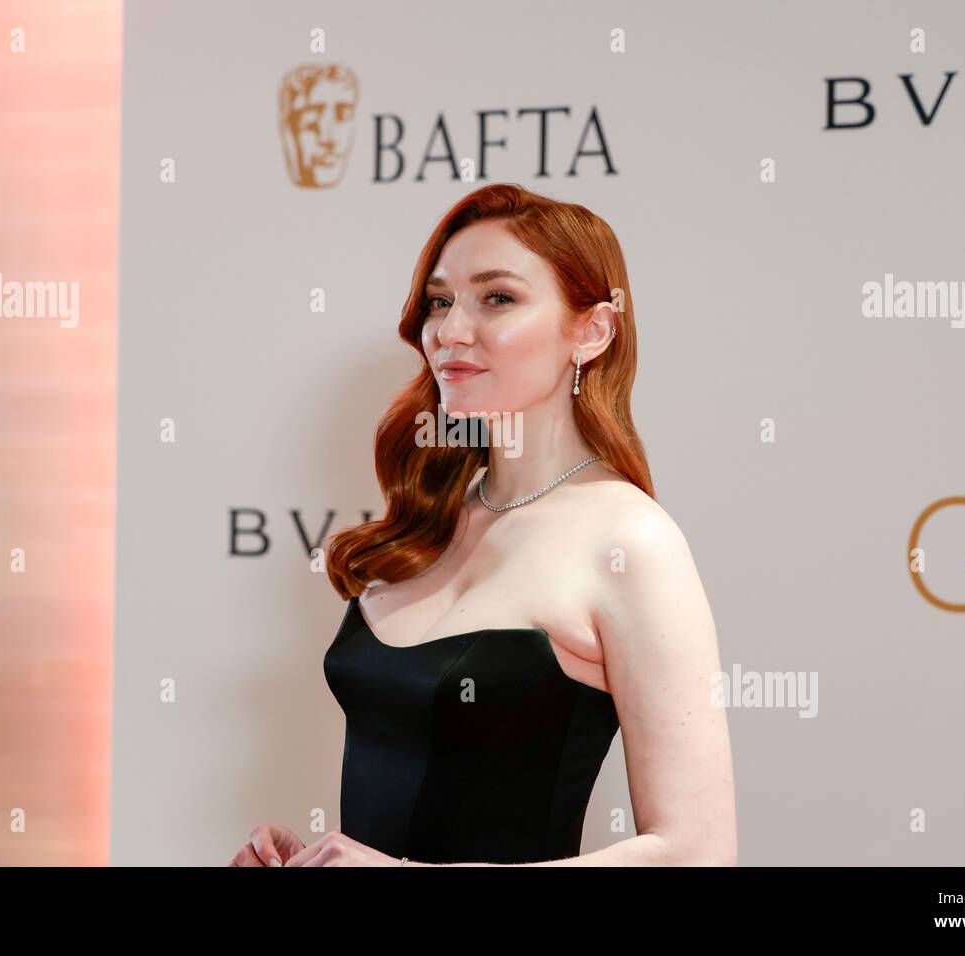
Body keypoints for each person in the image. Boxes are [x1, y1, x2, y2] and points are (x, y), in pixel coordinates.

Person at [230, 183, 736, 867]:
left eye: (497, 298)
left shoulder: (630, 541)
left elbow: (698, 852)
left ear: (592, 332)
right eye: (441, 301)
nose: (449, 330)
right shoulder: (436, 517)